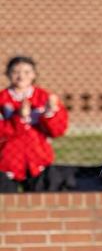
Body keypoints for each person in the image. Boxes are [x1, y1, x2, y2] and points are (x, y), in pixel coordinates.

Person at [1, 56, 70, 193]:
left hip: (38, 161)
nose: (21, 76)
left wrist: (50, 114)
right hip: (7, 162)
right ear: (8, 73)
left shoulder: (44, 97)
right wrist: (19, 118)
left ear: (34, 75)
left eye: (26, 72)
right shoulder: (2, 99)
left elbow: (58, 131)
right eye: (16, 72)